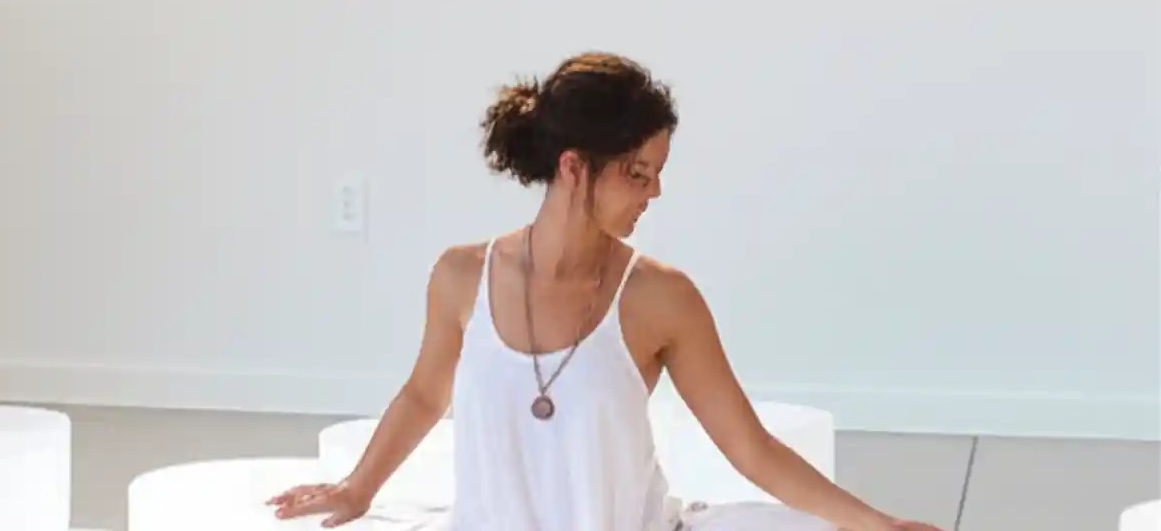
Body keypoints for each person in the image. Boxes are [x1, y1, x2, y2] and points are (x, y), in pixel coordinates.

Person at [268, 52, 943, 531]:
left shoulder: (660, 297)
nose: (656, 192)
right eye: (637, 173)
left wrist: (873, 524)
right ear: (572, 167)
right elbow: (423, 394)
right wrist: (358, 487)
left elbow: (748, 446)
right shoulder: (460, 277)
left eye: (657, 172)